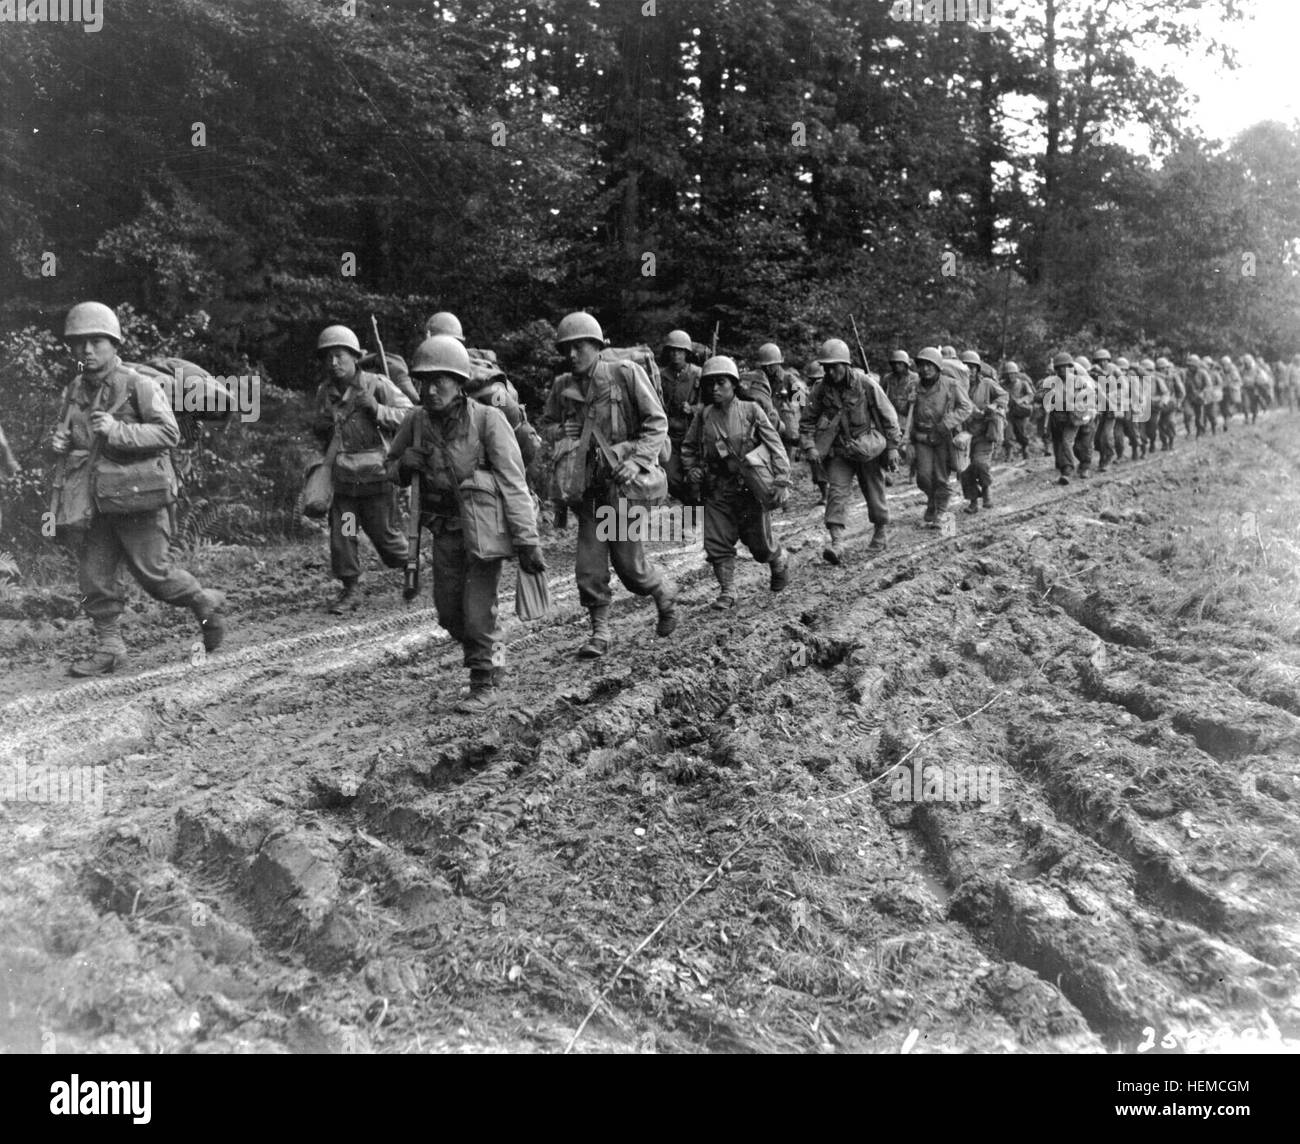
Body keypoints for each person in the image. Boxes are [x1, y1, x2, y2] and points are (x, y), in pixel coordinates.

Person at [49, 302, 227, 677]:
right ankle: (110, 648)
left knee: (156, 577)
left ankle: (202, 601)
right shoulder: (75, 390)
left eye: (97, 341)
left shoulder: (138, 385)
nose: (87, 351)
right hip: (93, 502)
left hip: (137, 499)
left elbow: (168, 433)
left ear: (114, 343)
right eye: (79, 343)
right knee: (93, 577)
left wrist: (118, 431)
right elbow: (77, 436)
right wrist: (63, 443)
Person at [387, 336, 543, 713]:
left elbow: (513, 481)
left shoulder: (487, 419)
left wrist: (527, 540)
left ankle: (484, 683)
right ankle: (497, 655)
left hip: (486, 532)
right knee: (449, 614)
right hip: (444, 531)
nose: (431, 388)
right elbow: (391, 471)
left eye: (441, 379)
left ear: (458, 383)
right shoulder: (415, 421)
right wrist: (405, 464)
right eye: (424, 380)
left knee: (477, 614)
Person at [539, 312, 677, 658]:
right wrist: (560, 432)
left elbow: (656, 421)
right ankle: (600, 633)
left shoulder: (624, 374)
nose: (572, 355)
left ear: (597, 346)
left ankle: (662, 594)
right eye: (567, 348)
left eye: (580, 346)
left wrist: (636, 460)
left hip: (623, 488)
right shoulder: (562, 387)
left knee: (631, 570)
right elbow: (546, 427)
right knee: (589, 568)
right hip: (588, 489)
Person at [310, 324, 412, 613]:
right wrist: (322, 428)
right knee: (344, 535)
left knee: (385, 537)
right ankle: (351, 589)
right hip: (344, 480)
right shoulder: (325, 393)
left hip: (376, 478)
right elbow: (319, 430)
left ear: (355, 357)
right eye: (328, 357)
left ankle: (410, 566)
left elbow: (411, 417)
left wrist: (378, 410)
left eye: (340, 355)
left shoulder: (377, 385)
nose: (333, 363)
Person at [680, 356, 791, 609]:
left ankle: (779, 561)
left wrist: (782, 480)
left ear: (733, 384)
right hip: (717, 488)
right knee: (716, 542)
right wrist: (692, 469)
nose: (714, 389)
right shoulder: (704, 416)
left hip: (748, 487)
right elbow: (688, 447)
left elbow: (775, 445)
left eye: (721, 383)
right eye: (710, 384)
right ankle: (727, 591)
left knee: (760, 545)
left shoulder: (751, 411)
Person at [800, 337, 901, 561]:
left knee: (874, 492)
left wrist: (892, 447)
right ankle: (836, 543)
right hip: (840, 451)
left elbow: (888, 415)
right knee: (836, 492)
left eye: (833, 367)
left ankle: (880, 532)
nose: (829, 372)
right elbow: (806, 420)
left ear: (845, 365)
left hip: (866, 449)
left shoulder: (865, 384)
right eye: (826, 368)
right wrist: (809, 446)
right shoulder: (819, 389)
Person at [909, 346, 973, 530]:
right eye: (922, 365)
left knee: (941, 477)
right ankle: (932, 500)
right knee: (923, 478)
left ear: (938, 367)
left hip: (943, 437)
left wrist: (946, 424)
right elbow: (907, 412)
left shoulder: (951, 384)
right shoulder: (915, 386)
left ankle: (944, 517)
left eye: (930, 365)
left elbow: (966, 407)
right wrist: (908, 401)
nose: (925, 369)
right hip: (922, 437)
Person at [659, 329, 702, 502]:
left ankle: (694, 515)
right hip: (670, 437)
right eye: (672, 351)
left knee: (694, 477)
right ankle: (689, 502)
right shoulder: (661, 376)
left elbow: (710, 405)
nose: (676, 355)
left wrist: (692, 409)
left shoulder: (698, 374)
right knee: (670, 477)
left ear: (686, 353)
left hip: (693, 435)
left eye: (680, 351)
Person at [960, 361, 1008, 512]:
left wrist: (993, 406)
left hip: (985, 433)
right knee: (965, 469)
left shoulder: (987, 383)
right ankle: (973, 502)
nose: (969, 371)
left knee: (980, 464)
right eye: (965, 367)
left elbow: (1004, 395)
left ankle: (986, 489)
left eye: (972, 367)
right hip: (963, 434)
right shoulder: (957, 385)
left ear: (977, 369)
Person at [1001, 361, 1034, 461]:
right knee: (1007, 434)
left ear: (1017, 374)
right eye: (1008, 374)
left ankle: (1025, 449)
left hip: (1020, 413)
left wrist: (1021, 400)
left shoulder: (1023, 384)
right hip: (1008, 413)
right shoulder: (1002, 385)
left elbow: (1030, 395)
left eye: (1013, 373)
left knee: (1021, 434)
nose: (1010, 376)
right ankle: (1009, 454)